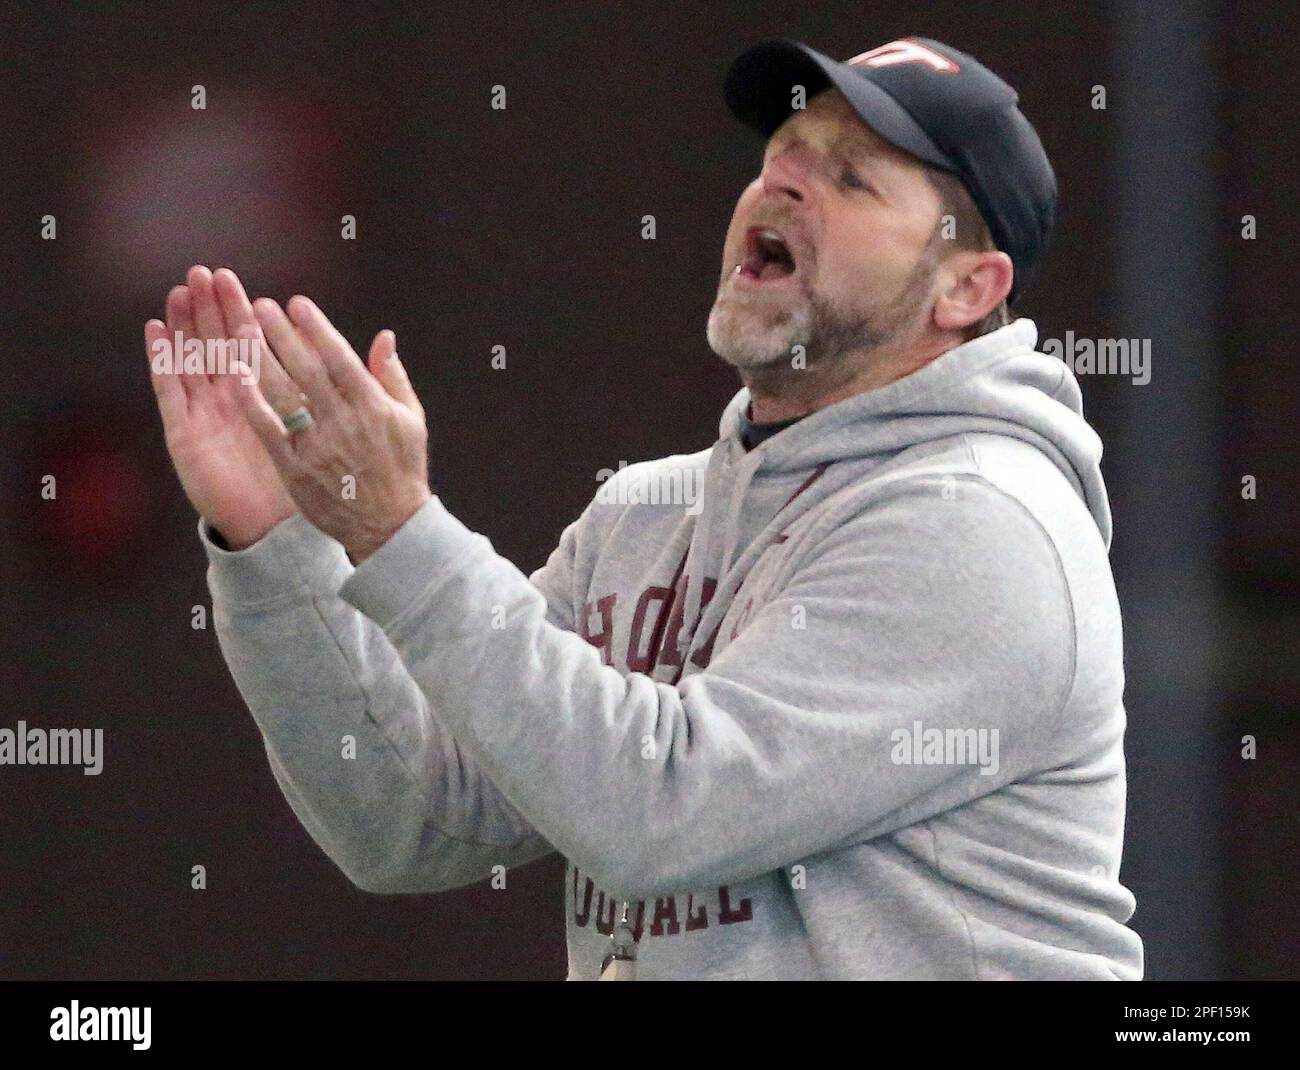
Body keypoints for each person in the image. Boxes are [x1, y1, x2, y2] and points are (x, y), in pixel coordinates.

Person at [145, 36, 1144, 980]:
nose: (781, 181)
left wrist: (398, 529)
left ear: (967, 287)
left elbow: (659, 811)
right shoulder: (647, 512)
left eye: (850, 179)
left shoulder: (979, 525)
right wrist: (279, 542)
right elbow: (409, 814)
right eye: (783, 154)